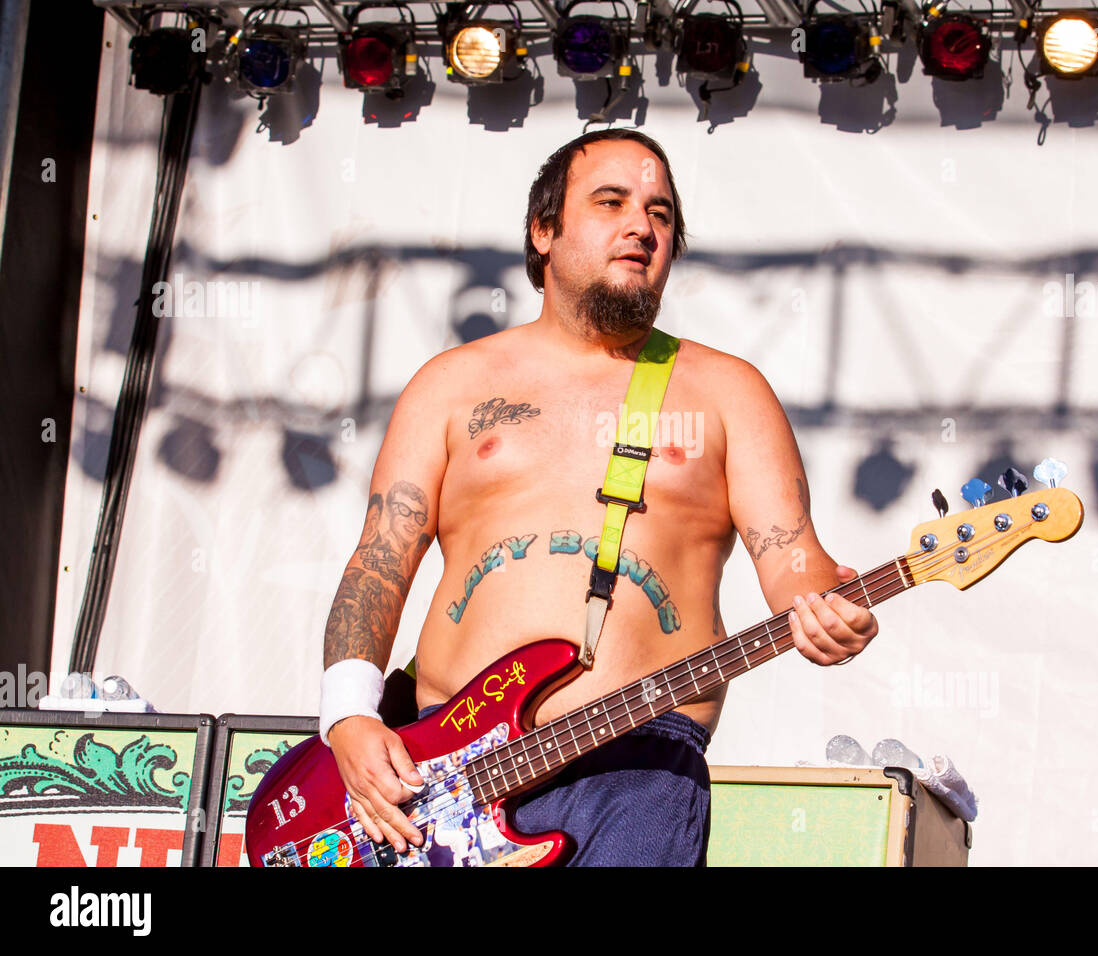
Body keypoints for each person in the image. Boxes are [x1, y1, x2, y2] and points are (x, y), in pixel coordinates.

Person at [319, 128, 879, 866]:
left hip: (637, 766)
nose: (641, 227)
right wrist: (348, 719)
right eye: (611, 201)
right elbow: (378, 563)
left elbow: (795, 565)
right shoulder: (450, 384)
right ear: (543, 229)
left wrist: (830, 611)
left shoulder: (726, 391)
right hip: (445, 776)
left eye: (662, 213)